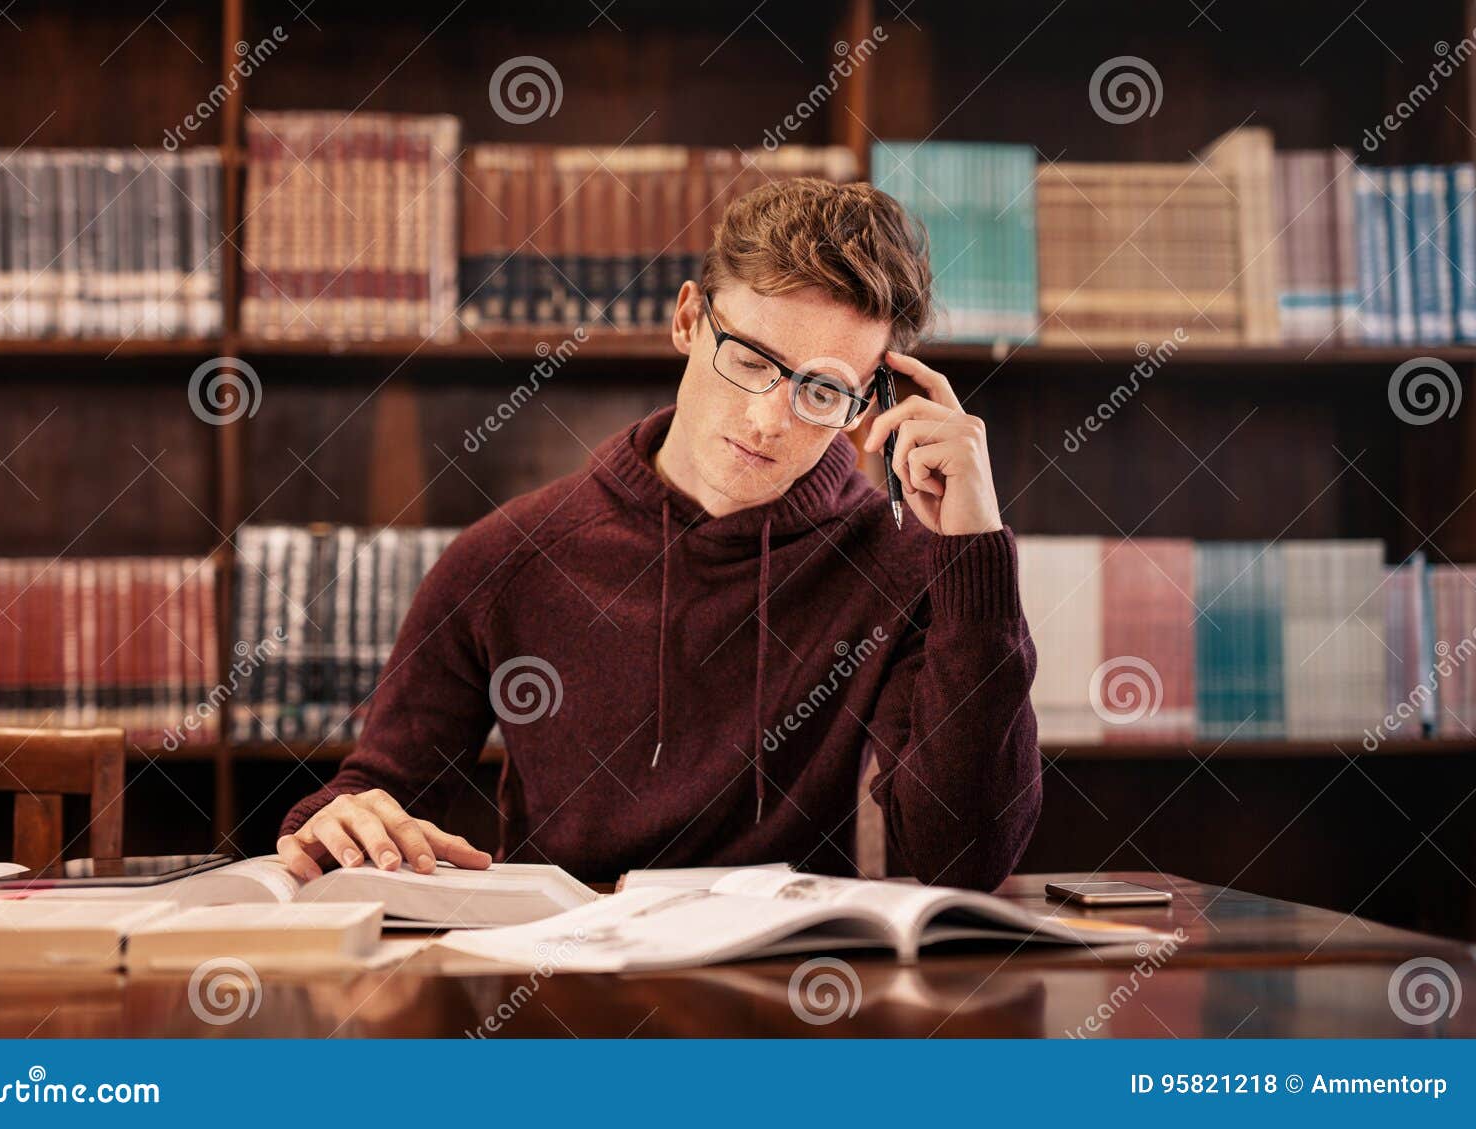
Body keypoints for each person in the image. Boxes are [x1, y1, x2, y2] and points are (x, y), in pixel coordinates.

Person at [276, 176, 1041, 887]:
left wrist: (974, 548)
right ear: (686, 320)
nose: (767, 419)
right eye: (751, 359)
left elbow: (966, 856)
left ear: (870, 403)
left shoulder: (907, 563)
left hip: (793, 976)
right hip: (562, 974)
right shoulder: (507, 556)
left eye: (822, 390)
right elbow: (372, 796)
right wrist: (340, 823)